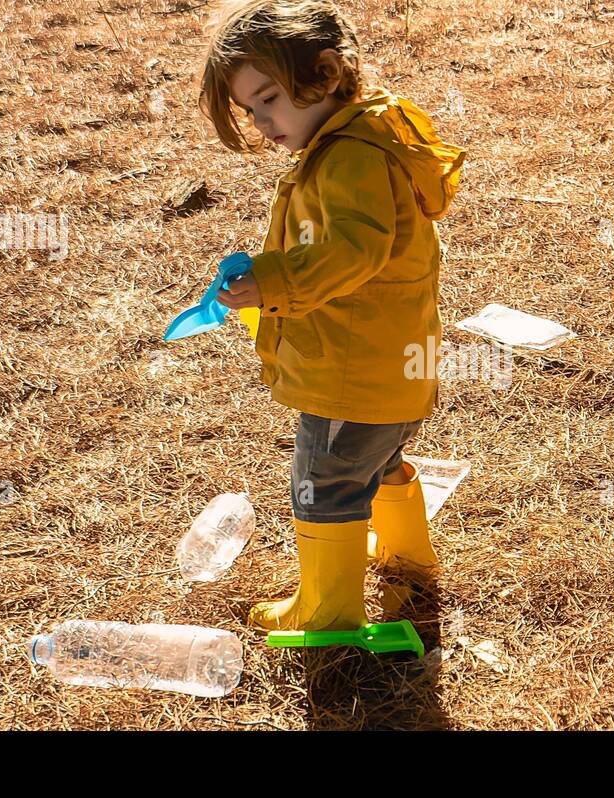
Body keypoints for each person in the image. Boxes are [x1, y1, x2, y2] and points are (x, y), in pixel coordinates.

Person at [197, 0, 466, 631]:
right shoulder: (364, 135)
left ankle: (330, 609)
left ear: (324, 74)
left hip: (353, 371)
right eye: (250, 109)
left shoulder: (349, 158)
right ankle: (405, 554)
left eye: (269, 99)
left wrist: (272, 281)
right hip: (390, 368)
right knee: (377, 462)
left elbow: (351, 251)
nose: (262, 121)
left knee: (324, 480)